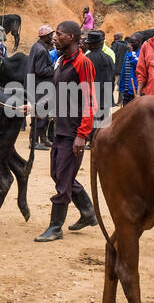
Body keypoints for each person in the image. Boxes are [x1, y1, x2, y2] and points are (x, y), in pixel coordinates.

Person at [35, 20, 97, 242]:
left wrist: (82, 134)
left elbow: (91, 101)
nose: (55, 37)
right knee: (58, 174)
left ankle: (55, 227)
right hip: (60, 128)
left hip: (73, 132)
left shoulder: (83, 63)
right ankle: (88, 212)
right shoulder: (61, 61)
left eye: (59, 34)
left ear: (71, 37)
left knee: (62, 180)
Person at [27, 26, 56, 149]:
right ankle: (34, 142)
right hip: (40, 87)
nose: (52, 37)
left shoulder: (36, 46)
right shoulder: (42, 50)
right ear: (45, 37)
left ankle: (43, 139)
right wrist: (54, 67)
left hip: (35, 85)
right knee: (39, 115)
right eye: (50, 35)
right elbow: (40, 70)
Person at [84, 30, 117, 125]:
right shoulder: (109, 58)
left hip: (91, 100)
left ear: (93, 45)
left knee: (91, 126)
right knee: (104, 126)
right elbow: (112, 79)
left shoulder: (86, 59)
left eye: (88, 43)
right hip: (105, 98)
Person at [110, 33, 128, 105]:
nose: (114, 38)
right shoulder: (127, 45)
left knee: (112, 85)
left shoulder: (115, 44)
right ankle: (120, 102)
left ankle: (111, 102)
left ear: (117, 37)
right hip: (123, 69)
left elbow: (111, 55)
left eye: (115, 36)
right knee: (121, 86)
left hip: (115, 69)